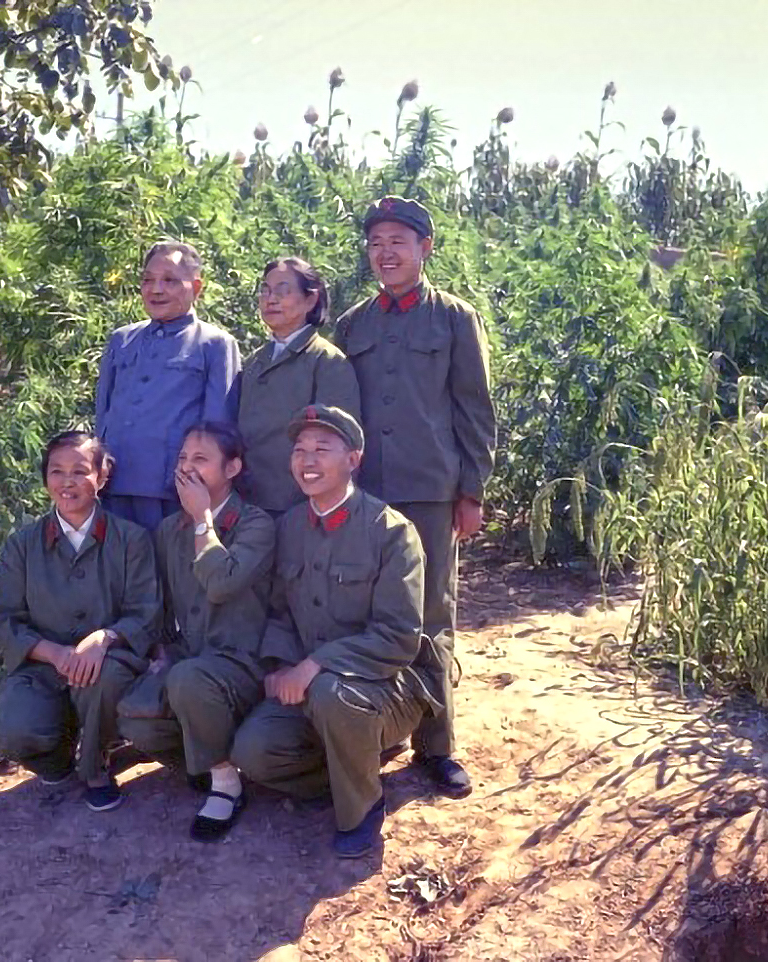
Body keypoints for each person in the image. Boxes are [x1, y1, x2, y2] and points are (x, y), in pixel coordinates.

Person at [333, 196, 497, 799]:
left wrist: (472, 490)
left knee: (431, 615)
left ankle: (437, 746)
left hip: (430, 493)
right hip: (367, 496)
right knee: (371, 614)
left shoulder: (454, 319)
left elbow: (474, 410)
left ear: (425, 249)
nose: (386, 252)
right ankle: (385, 726)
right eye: (376, 242)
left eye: (399, 240)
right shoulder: (352, 326)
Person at [231, 405, 436, 858]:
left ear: (354, 460)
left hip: (386, 690)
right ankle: (350, 765)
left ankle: (362, 809)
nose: (308, 460)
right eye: (300, 450)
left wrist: (315, 664)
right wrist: (282, 667)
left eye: (322, 449)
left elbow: (399, 636)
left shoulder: (391, 532)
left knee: (331, 693)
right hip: (311, 690)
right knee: (253, 751)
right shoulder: (289, 527)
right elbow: (280, 613)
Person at [0, 431, 161, 812]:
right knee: (14, 731)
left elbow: (146, 611)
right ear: (45, 477)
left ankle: (96, 766)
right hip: (43, 665)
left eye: (80, 471)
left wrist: (105, 638)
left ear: (102, 476)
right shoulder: (23, 543)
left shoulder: (131, 540)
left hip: (108, 662)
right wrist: (53, 653)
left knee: (106, 677)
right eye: (57, 471)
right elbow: (1, 616)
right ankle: (57, 758)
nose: (68, 482)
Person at [117, 422, 275, 841]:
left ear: (234, 467)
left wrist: (204, 518)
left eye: (201, 460)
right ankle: (205, 761)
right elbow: (163, 606)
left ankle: (226, 782)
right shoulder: (170, 530)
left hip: (244, 664)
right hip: (192, 659)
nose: (187, 468)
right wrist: (160, 653)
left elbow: (221, 583)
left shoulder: (256, 525)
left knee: (187, 679)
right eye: (183, 458)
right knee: (137, 718)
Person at [95, 239, 241, 532]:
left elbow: (217, 428)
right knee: (116, 574)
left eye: (170, 281)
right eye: (148, 280)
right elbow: (103, 413)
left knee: (167, 575)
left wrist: (200, 490)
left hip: (172, 493)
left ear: (196, 288)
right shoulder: (122, 339)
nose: (156, 289)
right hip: (114, 486)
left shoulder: (214, 344)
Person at [237, 257, 360, 516]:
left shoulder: (327, 361)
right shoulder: (253, 362)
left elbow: (338, 447)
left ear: (310, 300)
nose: (271, 299)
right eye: (265, 290)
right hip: (248, 506)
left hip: (298, 508)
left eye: (283, 290)